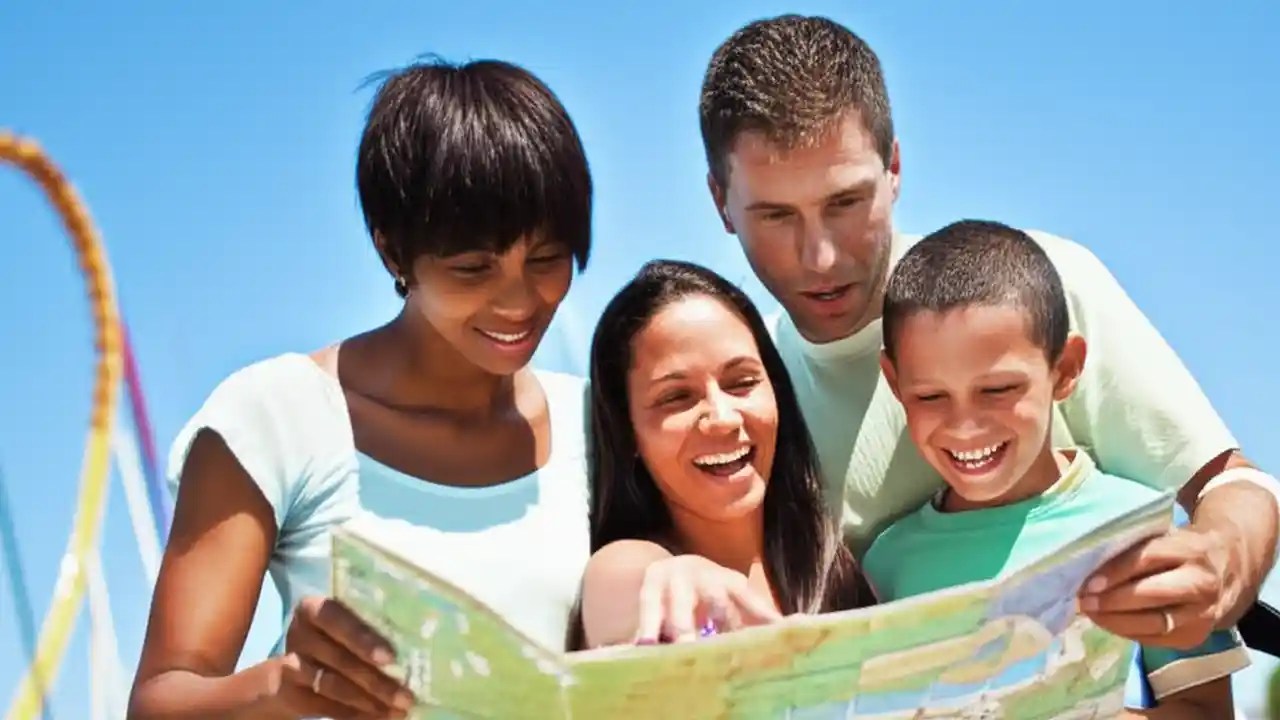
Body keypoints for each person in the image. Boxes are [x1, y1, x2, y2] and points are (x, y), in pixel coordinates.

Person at [697, 13, 1279, 652]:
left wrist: (1226, 556)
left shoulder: (1039, 286)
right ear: (721, 202)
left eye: (846, 203)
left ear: (893, 168)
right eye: (776, 215)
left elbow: (1230, 483)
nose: (822, 257)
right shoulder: (744, 401)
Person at [128, 57, 595, 719]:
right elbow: (158, 701)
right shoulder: (279, 415)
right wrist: (283, 688)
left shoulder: (595, 422)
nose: (519, 300)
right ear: (392, 253)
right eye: (472, 268)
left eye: (546, 259)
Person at [863, 219, 1250, 717]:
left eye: (998, 390)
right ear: (895, 385)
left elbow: (1206, 710)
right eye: (931, 396)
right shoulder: (887, 564)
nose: (965, 426)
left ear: (1065, 369)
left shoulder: (1139, 531)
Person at [576, 259, 872, 648]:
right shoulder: (627, 565)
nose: (722, 418)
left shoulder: (834, 565)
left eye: (742, 382)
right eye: (676, 397)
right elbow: (628, 587)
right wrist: (680, 578)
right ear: (626, 430)